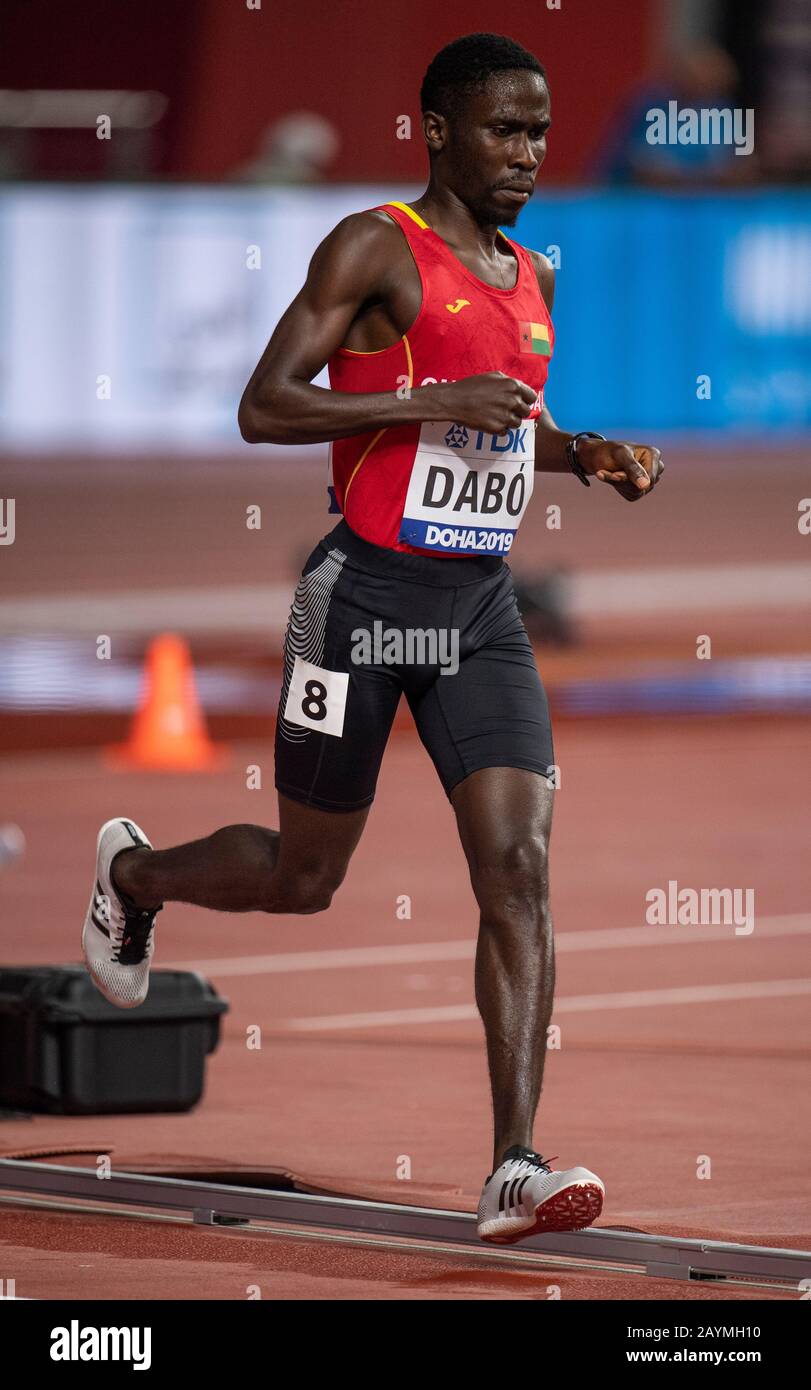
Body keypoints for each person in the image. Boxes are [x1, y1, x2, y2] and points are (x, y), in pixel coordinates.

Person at [83, 32, 663, 1245]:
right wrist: (426, 400)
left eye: (541, 132)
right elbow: (264, 404)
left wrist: (585, 450)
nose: (528, 154)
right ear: (439, 130)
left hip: (480, 611)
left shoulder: (529, 275)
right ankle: (134, 875)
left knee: (518, 868)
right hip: (362, 602)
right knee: (306, 879)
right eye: (505, 130)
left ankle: (513, 1163)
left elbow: (506, 425)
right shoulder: (372, 247)